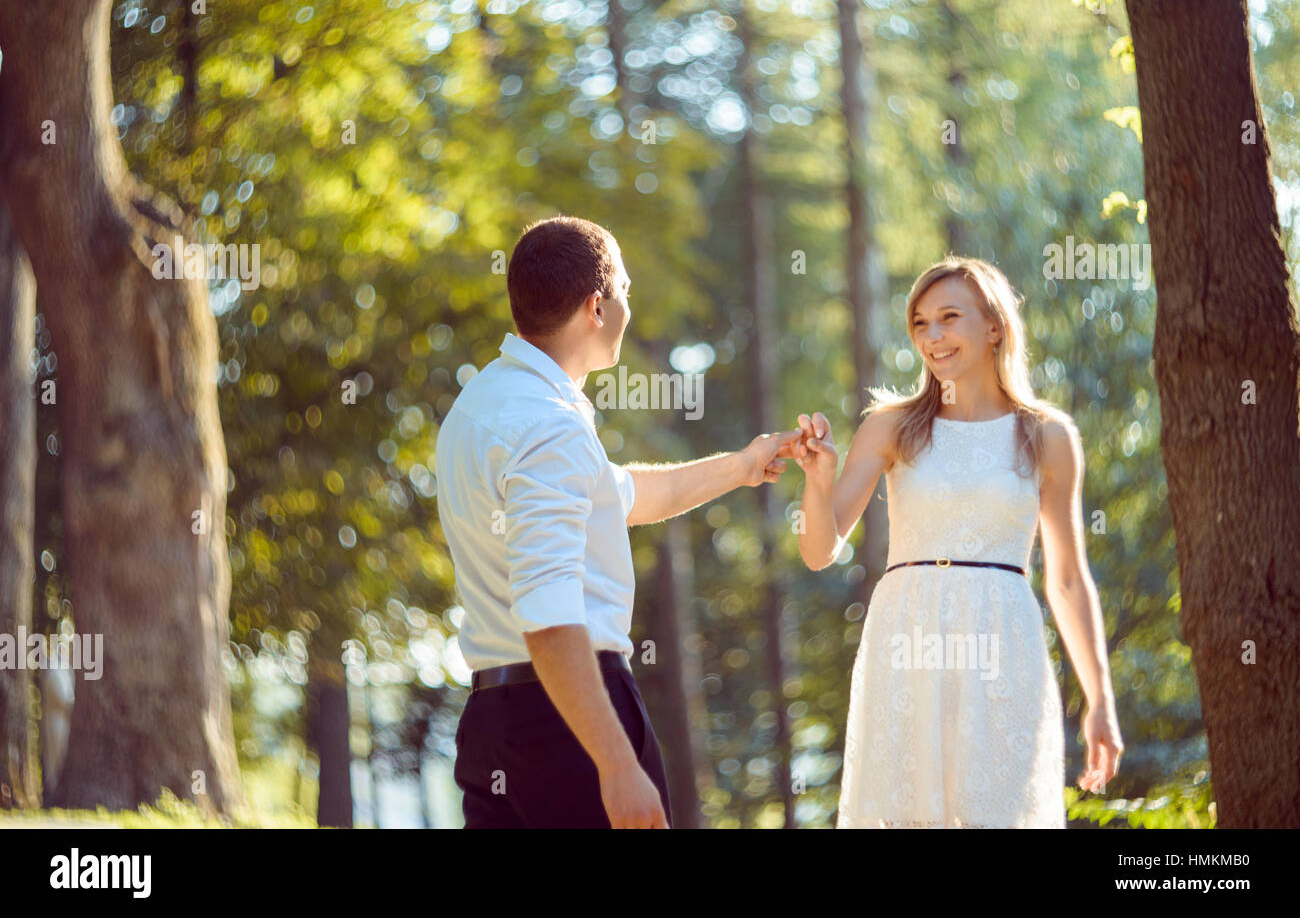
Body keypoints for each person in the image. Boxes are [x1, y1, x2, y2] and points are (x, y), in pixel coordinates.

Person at [435, 215, 801, 828]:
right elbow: (550, 616)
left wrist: (743, 465)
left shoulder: (478, 409)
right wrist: (616, 764)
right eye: (624, 291)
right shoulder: (549, 425)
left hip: (492, 723)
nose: (630, 307)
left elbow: (619, 496)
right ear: (595, 306)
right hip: (571, 727)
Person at [790, 255, 1123, 828]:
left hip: (1005, 643)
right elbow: (819, 551)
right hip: (908, 640)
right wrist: (818, 483)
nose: (933, 336)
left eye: (949, 317)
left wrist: (1100, 702)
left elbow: (1067, 580)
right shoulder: (890, 427)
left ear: (994, 326)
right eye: (921, 323)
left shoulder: (1047, 436)